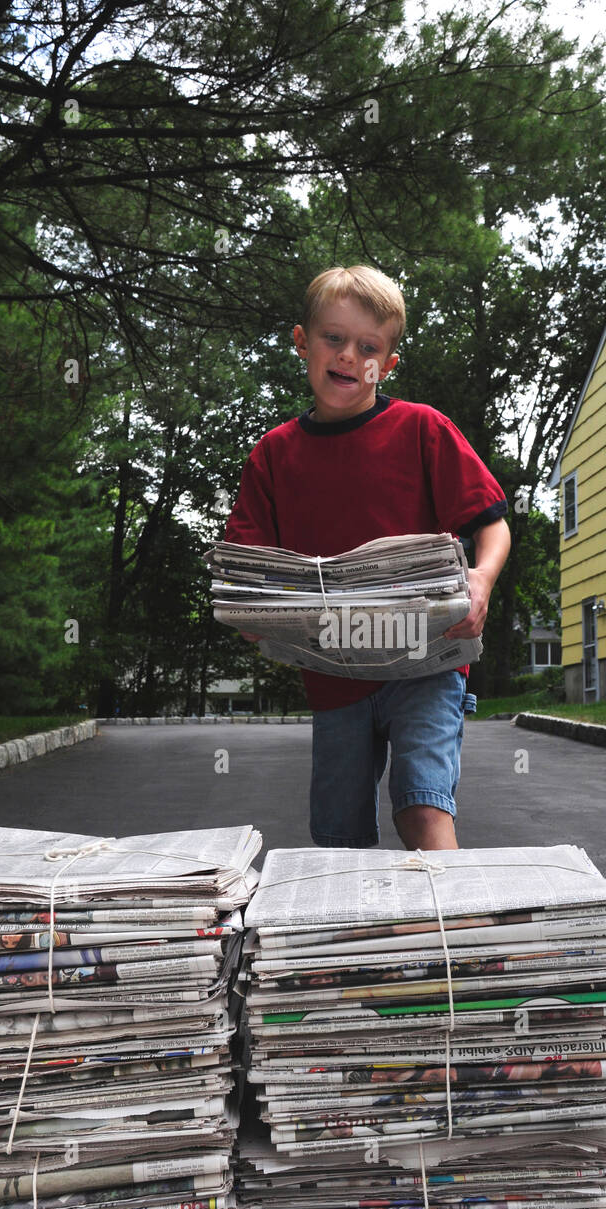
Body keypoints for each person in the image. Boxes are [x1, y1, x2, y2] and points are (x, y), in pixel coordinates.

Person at [223, 265, 510, 850]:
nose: (349, 356)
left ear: (389, 362)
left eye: (368, 346)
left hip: (427, 663)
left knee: (423, 808)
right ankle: (372, 935)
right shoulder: (273, 455)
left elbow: (492, 526)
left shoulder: (423, 429)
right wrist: (254, 617)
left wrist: (480, 580)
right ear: (302, 341)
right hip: (334, 676)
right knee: (337, 836)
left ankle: (452, 934)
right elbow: (244, 568)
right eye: (334, 338)